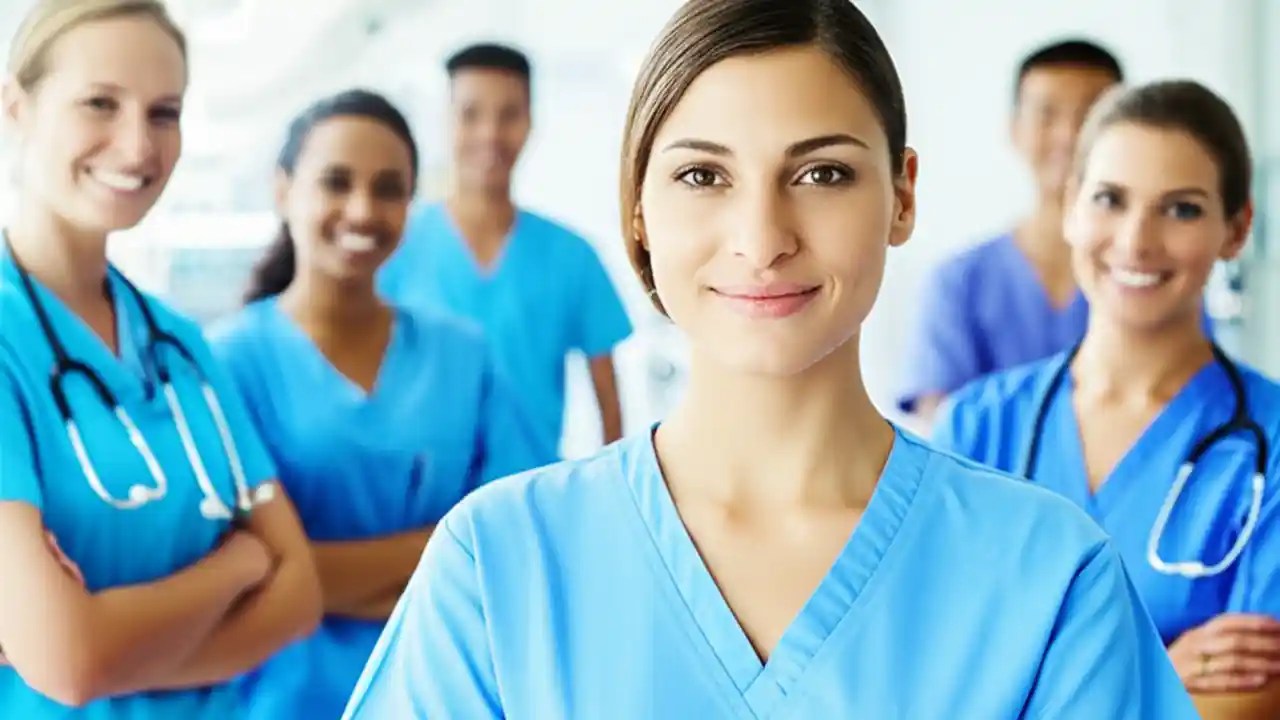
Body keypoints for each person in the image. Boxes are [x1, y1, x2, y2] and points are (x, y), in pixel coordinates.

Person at [340, 1, 1198, 717]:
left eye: (822, 174)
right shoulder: (500, 565)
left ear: (901, 194)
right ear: (636, 207)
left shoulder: (1051, 579)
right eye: (703, 178)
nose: (762, 240)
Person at [0, 1, 321, 717]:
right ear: (16, 108)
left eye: (164, 112)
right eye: (99, 104)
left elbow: (299, 594)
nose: (137, 146)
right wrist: (239, 564)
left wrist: (101, 647)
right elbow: (68, 662)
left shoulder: (179, 342)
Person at [934, 80, 1280, 719]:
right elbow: (934, 681)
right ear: (1070, 207)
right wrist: (1153, 672)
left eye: (1181, 209)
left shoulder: (1272, 440)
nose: (1136, 241)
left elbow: (1250, 703)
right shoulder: (978, 426)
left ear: (1237, 229)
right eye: (1109, 200)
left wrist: (1034, 680)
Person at [208, 89, 552, 720]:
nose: (363, 210)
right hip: (282, 700)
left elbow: (515, 541)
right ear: (283, 190)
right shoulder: (226, 364)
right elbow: (230, 577)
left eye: (389, 188)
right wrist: (438, 556)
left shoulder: (463, 356)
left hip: (445, 691)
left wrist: (311, 575)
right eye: (336, 182)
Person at [377, 42, 633, 456]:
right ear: (446, 121)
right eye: (471, 114)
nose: (490, 133)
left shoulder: (572, 256)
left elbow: (609, 403)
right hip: (422, 505)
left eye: (509, 114)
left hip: (532, 497)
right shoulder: (394, 246)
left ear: (530, 122)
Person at [896, 40, 1123, 422]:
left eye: (1091, 114)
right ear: (1015, 129)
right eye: (1047, 114)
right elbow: (941, 426)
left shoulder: (1153, 274)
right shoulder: (959, 282)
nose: (1069, 135)